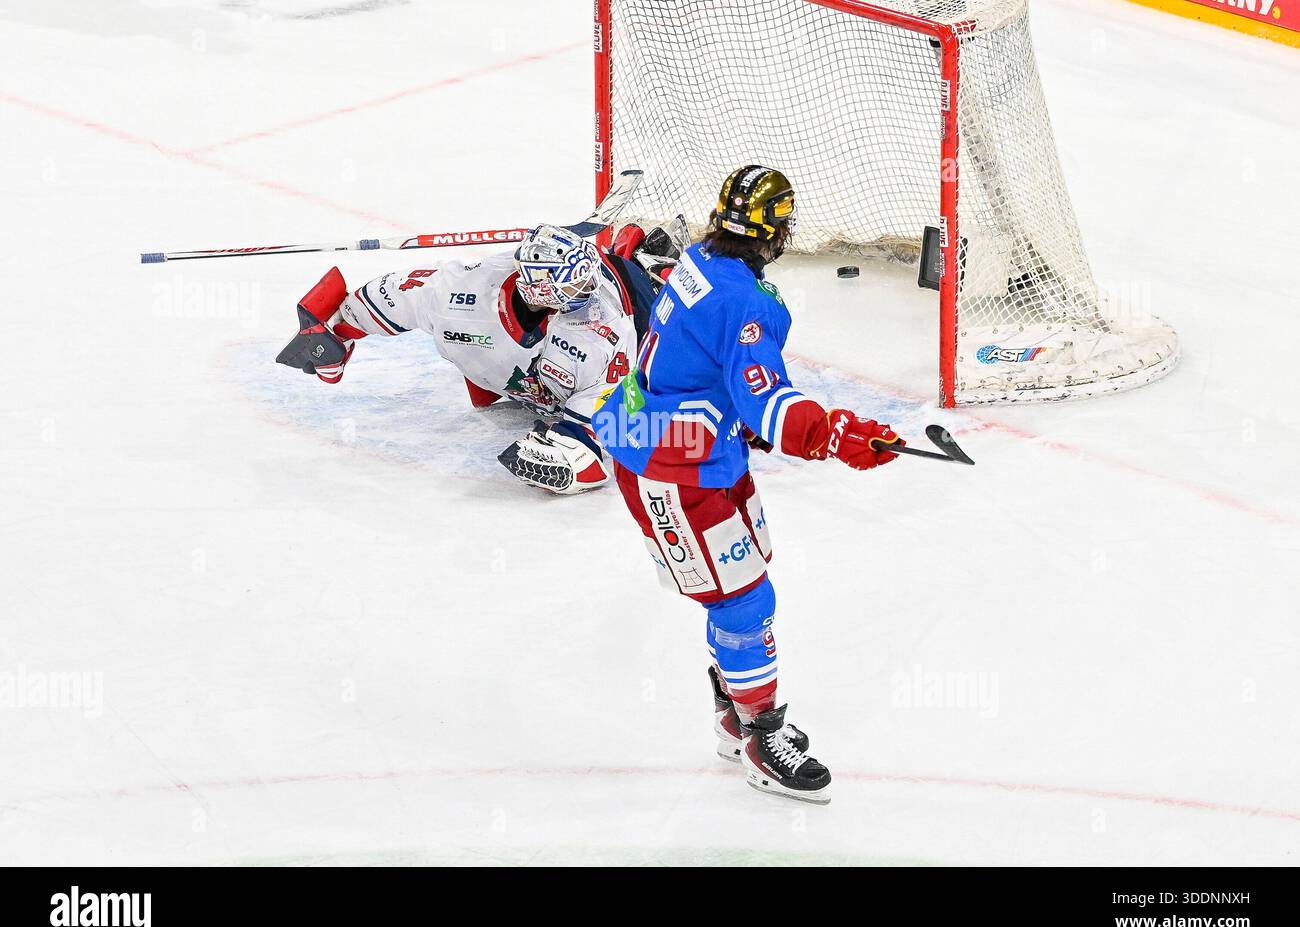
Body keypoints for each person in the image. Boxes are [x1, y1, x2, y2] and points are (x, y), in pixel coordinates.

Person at [590, 165, 905, 803]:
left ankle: (736, 709)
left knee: (746, 572)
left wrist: (743, 417)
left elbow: (696, 360)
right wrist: (835, 432)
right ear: (779, 229)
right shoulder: (748, 302)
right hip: (671, 467)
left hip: (689, 446)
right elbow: (767, 404)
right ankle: (759, 732)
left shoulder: (701, 258)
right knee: (743, 601)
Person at [275, 221, 680, 493]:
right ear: (537, 290)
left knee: (664, 336)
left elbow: (591, 460)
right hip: (517, 373)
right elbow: (377, 303)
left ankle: (642, 258)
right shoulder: (455, 292)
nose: (585, 292)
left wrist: (567, 450)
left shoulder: (603, 339)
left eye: (582, 278)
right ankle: (631, 250)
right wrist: (332, 341)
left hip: (636, 318)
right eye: (570, 285)